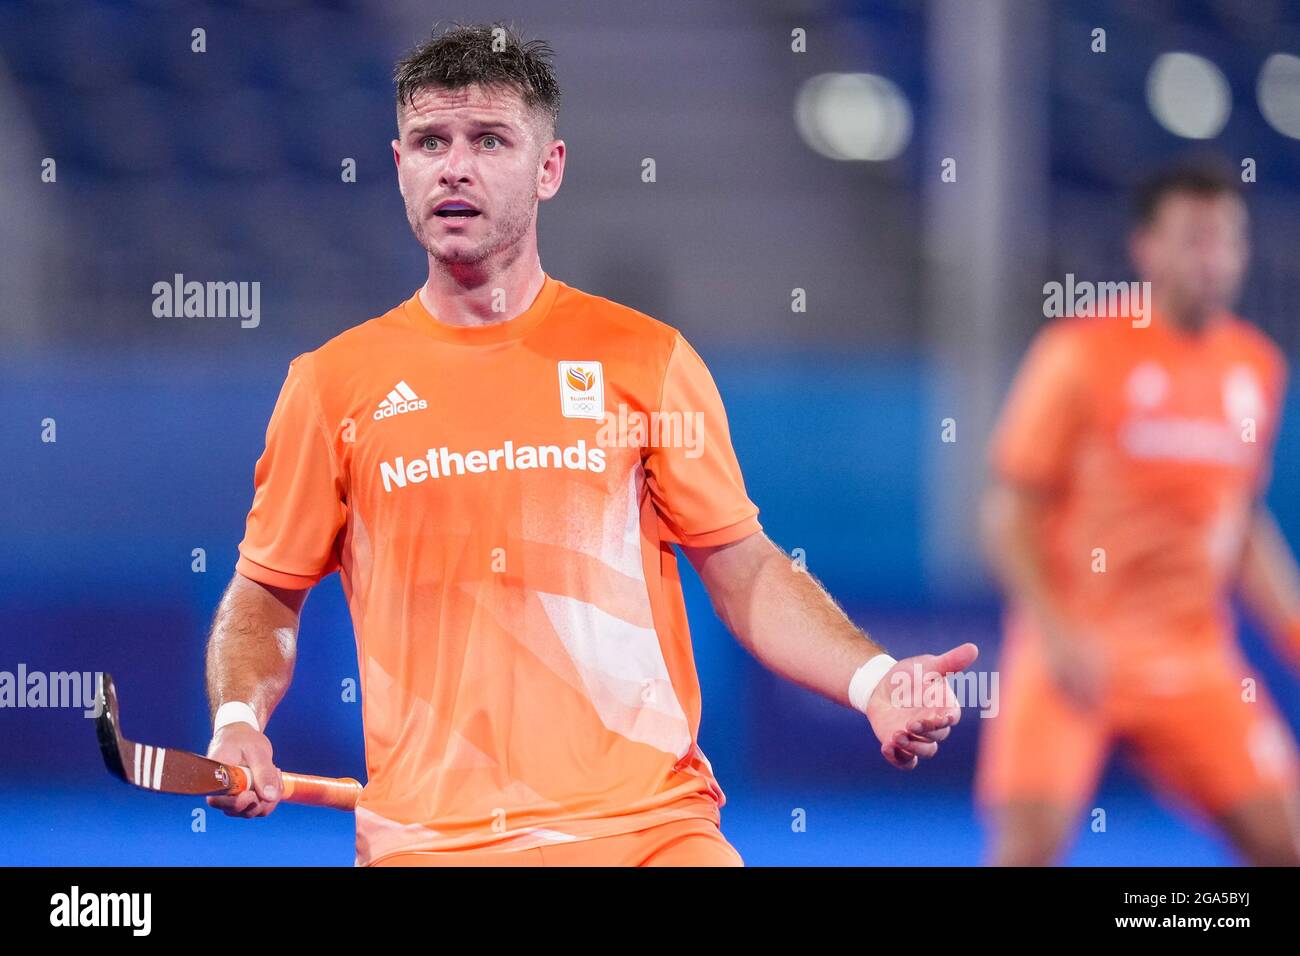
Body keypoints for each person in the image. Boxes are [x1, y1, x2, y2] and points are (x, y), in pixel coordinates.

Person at [205, 22, 977, 867]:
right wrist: (239, 720)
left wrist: (873, 683)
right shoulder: (330, 385)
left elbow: (746, 568)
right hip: (431, 846)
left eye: (489, 141)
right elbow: (264, 594)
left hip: (650, 831)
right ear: (400, 168)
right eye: (430, 142)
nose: (454, 166)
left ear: (549, 170)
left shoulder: (646, 360)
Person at [978, 159, 1300, 865]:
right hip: (1074, 646)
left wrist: (1293, 627)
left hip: (1191, 655)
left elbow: (1239, 522)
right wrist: (1057, 633)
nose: (1213, 259)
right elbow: (1006, 513)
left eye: (1227, 240)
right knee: (1026, 850)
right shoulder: (1079, 355)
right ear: (1146, 249)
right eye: (1194, 239)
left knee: (1286, 842)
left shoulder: (1256, 370)